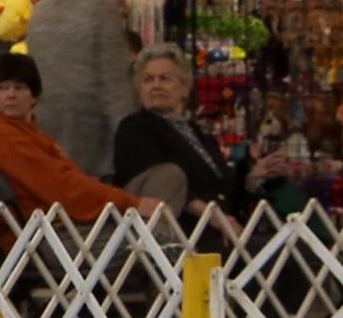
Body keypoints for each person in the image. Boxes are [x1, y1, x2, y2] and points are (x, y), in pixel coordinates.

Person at [0, 54, 165, 224]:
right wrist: (130, 204)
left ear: (34, 97)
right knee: (162, 241)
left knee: (167, 177)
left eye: (19, 87)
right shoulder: (0, 136)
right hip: (47, 234)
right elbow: (62, 186)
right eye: (1, 88)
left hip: (62, 220)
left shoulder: (26, 133)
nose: (10, 95)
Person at [112, 43, 295, 227]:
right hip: (181, 234)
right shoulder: (134, 128)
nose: (156, 85)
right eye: (148, 80)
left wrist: (252, 177)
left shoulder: (200, 134)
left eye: (164, 78)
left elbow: (225, 192)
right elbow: (163, 186)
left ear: (185, 87)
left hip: (224, 229)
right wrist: (213, 217)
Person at [24, 0, 135, 171]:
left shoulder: (40, 11)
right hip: (92, 130)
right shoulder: (102, 11)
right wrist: (130, 137)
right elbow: (115, 83)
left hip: (46, 127)